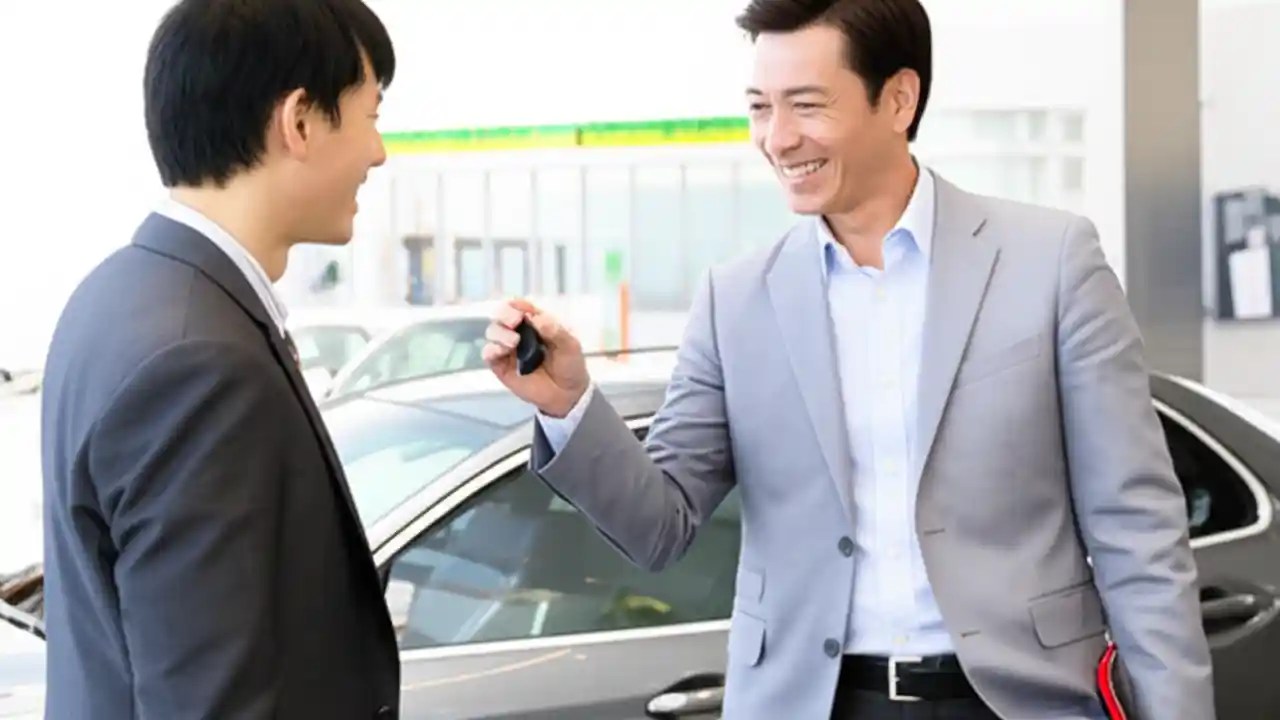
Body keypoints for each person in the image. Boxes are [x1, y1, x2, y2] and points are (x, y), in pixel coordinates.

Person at [483, 1, 1214, 718]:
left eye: (806, 105)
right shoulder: (736, 298)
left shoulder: (1049, 261)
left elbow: (1136, 529)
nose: (778, 139)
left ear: (899, 99)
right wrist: (569, 403)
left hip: (1013, 699)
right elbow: (660, 527)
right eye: (760, 108)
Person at [40, 1, 401, 718]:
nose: (378, 152)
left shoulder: (121, 293)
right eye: (372, 115)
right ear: (299, 121)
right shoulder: (201, 362)